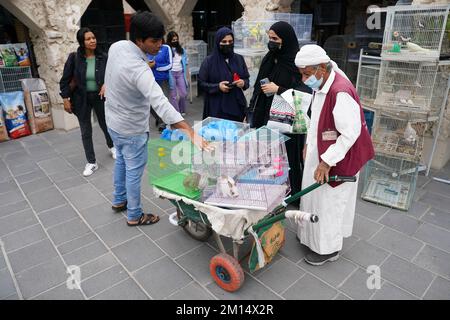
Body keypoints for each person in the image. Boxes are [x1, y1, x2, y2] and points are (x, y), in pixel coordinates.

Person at [104, 12, 210, 227]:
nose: (160, 45)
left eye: (161, 39)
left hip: (113, 121)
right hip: (131, 127)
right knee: (134, 170)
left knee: (123, 160)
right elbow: (160, 102)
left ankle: (118, 200)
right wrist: (189, 132)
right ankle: (134, 215)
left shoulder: (117, 47)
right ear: (139, 40)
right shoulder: (139, 68)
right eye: (154, 41)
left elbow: (112, 72)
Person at [294, 44, 374, 265]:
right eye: (301, 74)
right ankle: (309, 236)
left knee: (329, 204)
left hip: (339, 155)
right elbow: (319, 117)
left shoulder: (340, 91)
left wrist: (327, 161)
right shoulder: (323, 81)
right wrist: (309, 145)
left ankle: (327, 250)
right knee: (313, 197)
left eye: (307, 74)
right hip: (321, 148)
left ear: (321, 68)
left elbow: (350, 132)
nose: (303, 79)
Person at [247, 21, 312, 203]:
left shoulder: (296, 62)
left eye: (275, 39)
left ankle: (292, 195)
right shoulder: (269, 58)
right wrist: (250, 109)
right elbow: (258, 86)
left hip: (286, 121)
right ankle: (271, 190)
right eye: (269, 38)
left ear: (286, 39)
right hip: (265, 116)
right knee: (268, 156)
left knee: (288, 158)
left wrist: (279, 89)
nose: (271, 42)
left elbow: (305, 93)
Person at [60, 27, 115, 177]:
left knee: (105, 124)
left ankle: (112, 146)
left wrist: (106, 84)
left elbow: (112, 74)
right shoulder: (74, 58)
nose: (92, 41)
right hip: (81, 99)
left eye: (93, 37)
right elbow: (64, 80)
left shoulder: (103, 57)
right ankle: (91, 162)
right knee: (86, 131)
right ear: (82, 42)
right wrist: (65, 99)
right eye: (88, 39)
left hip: (100, 97)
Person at [199, 27, 250, 122]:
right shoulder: (209, 61)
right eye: (224, 41)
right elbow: (201, 83)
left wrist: (243, 83)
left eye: (230, 41)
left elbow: (246, 79)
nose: (227, 44)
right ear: (218, 42)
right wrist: (218, 86)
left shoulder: (239, 59)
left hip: (236, 106)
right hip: (216, 108)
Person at [147, 38, 173, 132]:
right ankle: (159, 118)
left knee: (163, 102)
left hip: (163, 80)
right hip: (150, 80)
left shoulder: (166, 48)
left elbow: (170, 65)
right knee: (149, 104)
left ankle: (163, 123)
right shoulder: (148, 48)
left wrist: (156, 66)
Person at [167, 31, 189, 116]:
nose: (175, 41)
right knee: (173, 96)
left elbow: (185, 62)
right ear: (169, 40)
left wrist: (186, 75)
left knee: (183, 93)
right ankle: (176, 113)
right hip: (171, 73)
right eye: (173, 40)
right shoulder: (167, 50)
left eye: (176, 39)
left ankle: (182, 109)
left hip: (180, 73)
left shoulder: (181, 50)